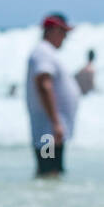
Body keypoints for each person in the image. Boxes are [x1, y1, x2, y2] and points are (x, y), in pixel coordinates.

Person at [25, 12, 80, 177]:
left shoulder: (45, 52)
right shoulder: (43, 52)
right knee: (48, 172)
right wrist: (55, 122)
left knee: (51, 171)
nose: (65, 37)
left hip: (50, 130)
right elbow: (44, 85)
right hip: (47, 132)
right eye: (63, 33)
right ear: (53, 30)